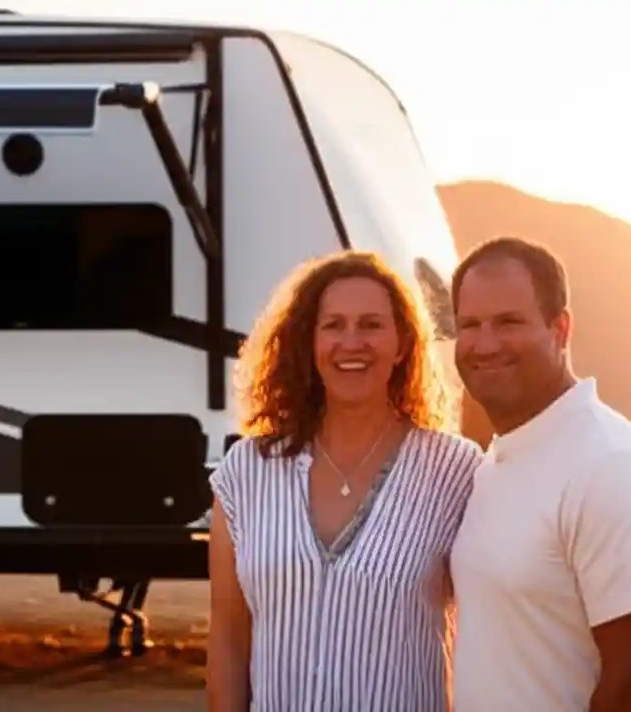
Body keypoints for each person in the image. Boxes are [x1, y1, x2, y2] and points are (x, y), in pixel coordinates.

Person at [207, 250, 484, 711]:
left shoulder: (456, 471)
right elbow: (230, 641)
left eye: (372, 325)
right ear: (308, 343)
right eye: (333, 325)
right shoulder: (246, 471)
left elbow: (491, 634)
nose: (351, 342)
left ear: (401, 345)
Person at [448, 236, 631, 712]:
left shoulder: (611, 466)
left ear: (561, 329)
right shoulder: (501, 459)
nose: (486, 344)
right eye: (470, 325)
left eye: (509, 322)